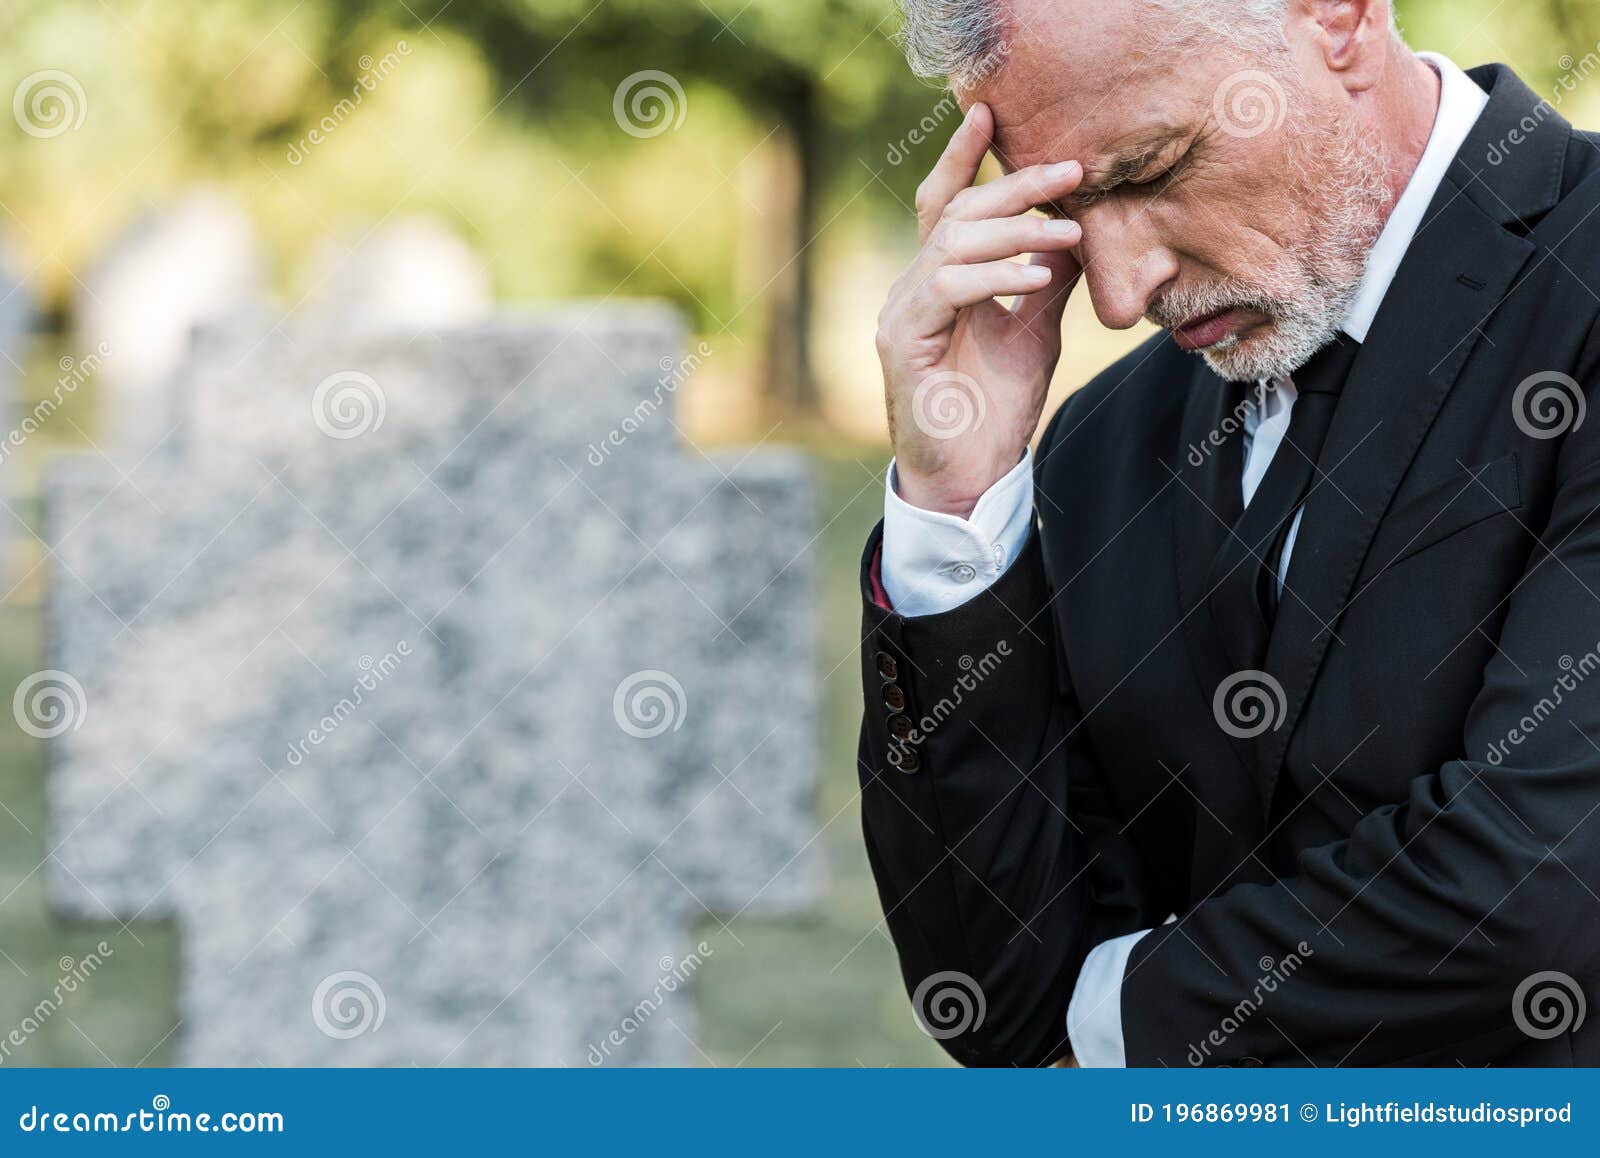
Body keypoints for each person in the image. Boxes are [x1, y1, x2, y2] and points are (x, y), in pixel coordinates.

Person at [861, 0, 1600, 1066]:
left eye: (1152, 168)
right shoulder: (1099, 444)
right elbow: (988, 999)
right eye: (1063, 218)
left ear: (1336, 19)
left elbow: (1543, 889)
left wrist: (1107, 1022)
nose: (1115, 297)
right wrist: (954, 506)